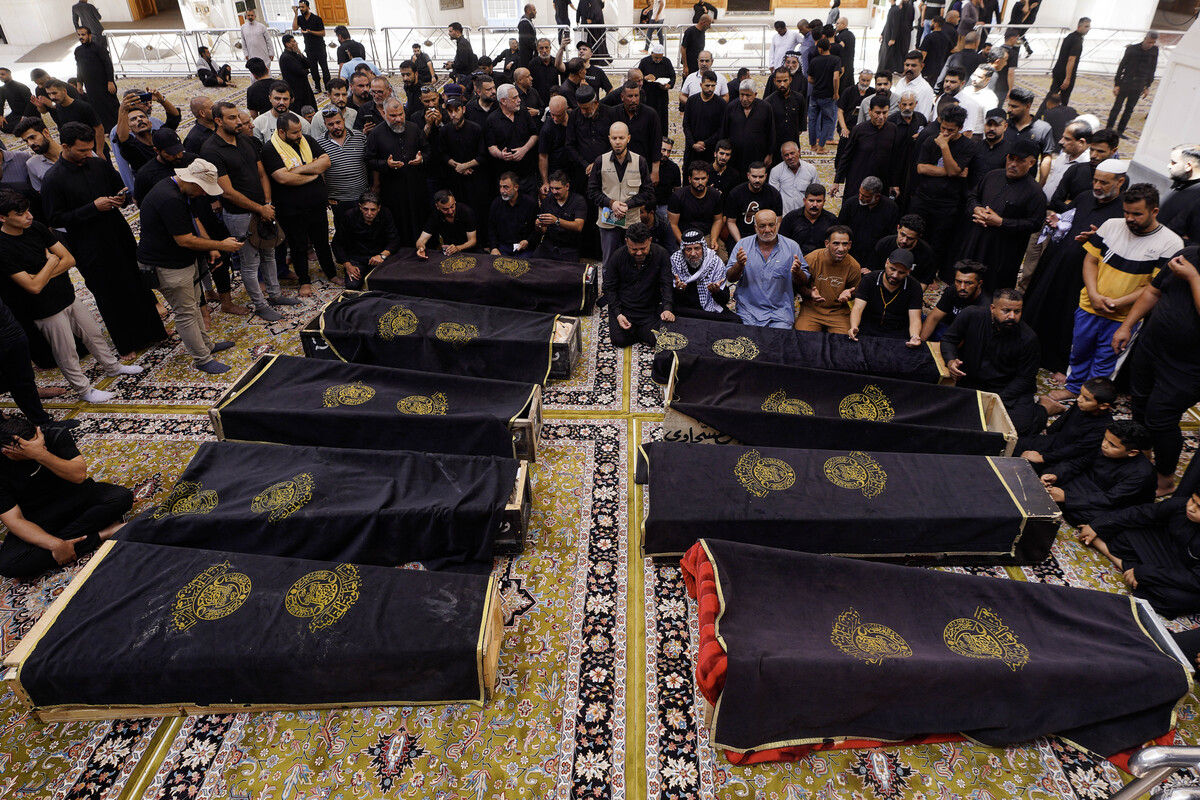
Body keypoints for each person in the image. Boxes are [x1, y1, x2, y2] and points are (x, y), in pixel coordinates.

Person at [1049, 183, 1183, 410]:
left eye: (1137, 214)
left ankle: (1094, 400)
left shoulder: (1171, 243)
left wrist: (1117, 303)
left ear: (1154, 212)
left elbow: (1154, 287)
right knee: (1080, 350)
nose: (1130, 218)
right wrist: (1093, 293)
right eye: (1127, 212)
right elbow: (1090, 261)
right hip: (1089, 305)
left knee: (1106, 359)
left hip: (1123, 317)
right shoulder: (1111, 226)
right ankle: (1074, 388)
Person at [0, 188, 141, 401]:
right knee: (66, 352)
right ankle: (84, 390)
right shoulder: (3, 248)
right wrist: (51, 262)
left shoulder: (36, 227)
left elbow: (69, 259)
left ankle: (112, 366)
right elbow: (33, 288)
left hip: (66, 295)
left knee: (94, 334)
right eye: (20, 214)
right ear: (2, 218)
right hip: (44, 308)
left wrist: (43, 273)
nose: (29, 216)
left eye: (28, 210)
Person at [41, 122, 166, 354]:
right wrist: (92, 207)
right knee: (109, 293)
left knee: (135, 282)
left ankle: (154, 331)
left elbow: (121, 189)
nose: (88, 154)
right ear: (65, 147)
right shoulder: (53, 179)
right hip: (89, 245)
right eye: (82, 150)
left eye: (90, 149)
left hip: (118, 233)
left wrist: (121, 198)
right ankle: (127, 343)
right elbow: (55, 218)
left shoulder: (98, 164)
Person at [1024, 159, 1127, 380]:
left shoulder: (1123, 212)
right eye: (1095, 180)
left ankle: (1060, 362)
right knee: (1041, 304)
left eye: (1104, 182)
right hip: (1055, 264)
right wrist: (1056, 221)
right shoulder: (1084, 197)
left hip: (1085, 276)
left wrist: (1100, 239)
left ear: (1120, 182)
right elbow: (1065, 219)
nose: (1097, 186)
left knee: (1069, 318)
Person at [137, 159, 241, 373]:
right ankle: (202, 359)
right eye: (204, 189)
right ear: (193, 183)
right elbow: (184, 239)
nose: (205, 195)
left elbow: (193, 220)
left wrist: (211, 248)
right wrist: (219, 244)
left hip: (181, 261)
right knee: (185, 312)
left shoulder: (178, 188)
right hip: (168, 265)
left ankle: (207, 346)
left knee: (193, 305)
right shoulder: (169, 199)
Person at [1113, 245, 1200, 497]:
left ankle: (1164, 480)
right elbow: (1153, 291)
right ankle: (1141, 458)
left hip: (1188, 366)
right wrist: (1127, 326)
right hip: (1151, 348)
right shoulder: (1189, 254)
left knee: (1160, 418)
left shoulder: (1190, 270)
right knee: (1138, 403)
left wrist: (1194, 277)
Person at [201, 100, 297, 323]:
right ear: (218, 121)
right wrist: (260, 208)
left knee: (270, 253)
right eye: (231, 118)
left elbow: (262, 174)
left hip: (263, 208)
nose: (238, 122)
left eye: (238, 117)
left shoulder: (246, 140)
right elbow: (227, 192)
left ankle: (275, 295)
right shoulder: (211, 150)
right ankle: (260, 304)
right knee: (250, 261)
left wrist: (268, 202)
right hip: (239, 215)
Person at [0, 418, 132, 579]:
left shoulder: (53, 434)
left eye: (38, 441)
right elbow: (15, 520)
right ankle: (102, 534)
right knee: (8, 565)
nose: (39, 445)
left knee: (120, 497)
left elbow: (78, 476)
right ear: (7, 452)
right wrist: (54, 544)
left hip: (76, 496)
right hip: (39, 517)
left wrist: (41, 454)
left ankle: (59, 546)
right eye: (29, 450)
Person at [1080, 490, 1200, 618]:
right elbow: (1142, 513)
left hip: (1192, 578)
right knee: (1123, 536)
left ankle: (1110, 553)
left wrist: (1145, 573)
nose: (1191, 508)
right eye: (1193, 500)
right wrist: (1096, 526)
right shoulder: (1182, 505)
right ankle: (1135, 572)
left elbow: (1195, 580)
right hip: (1169, 555)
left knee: (1172, 599)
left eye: (1199, 507)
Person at [940, 289, 1043, 436]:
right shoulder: (972, 314)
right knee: (948, 415)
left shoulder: (1029, 339)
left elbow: (1025, 378)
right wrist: (950, 361)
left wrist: (997, 400)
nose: (1012, 316)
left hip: (1006, 389)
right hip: (970, 381)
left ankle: (1045, 407)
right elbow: (949, 340)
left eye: (1017, 311)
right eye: (1006, 311)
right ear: (992, 308)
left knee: (1016, 429)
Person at [261, 112, 335, 296]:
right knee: (298, 246)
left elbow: (326, 161)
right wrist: (313, 173)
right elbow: (283, 178)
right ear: (281, 132)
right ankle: (304, 281)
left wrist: (299, 170)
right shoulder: (270, 149)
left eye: (300, 131)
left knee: (322, 242)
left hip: (316, 205)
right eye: (294, 133)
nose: (299, 135)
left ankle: (331, 273)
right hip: (291, 210)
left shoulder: (307, 140)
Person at [962, 138, 1047, 292]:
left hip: (1003, 253)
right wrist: (976, 209)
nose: (1013, 164)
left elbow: (1034, 224)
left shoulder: (1035, 193)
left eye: (1020, 160)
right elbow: (973, 196)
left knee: (992, 289)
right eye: (1011, 158)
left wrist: (1002, 222)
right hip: (976, 242)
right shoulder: (992, 176)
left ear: (1032, 163)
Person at [1041, 420, 1157, 528]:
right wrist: (1056, 475)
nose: (1104, 444)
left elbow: (1111, 499)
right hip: (1088, 485)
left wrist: (1067, 497)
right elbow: (1079, 463)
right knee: (1048, 472)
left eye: (1112, 445)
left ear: (1132, 453)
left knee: (1084, 516)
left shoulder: (1141, 474)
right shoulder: (1105, 448)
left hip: (1114, 502)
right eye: (1105, 439)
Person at [725, 209, 808, 328]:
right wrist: (739, 264)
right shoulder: (743, 246)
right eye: (762, 226)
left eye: (771, 225)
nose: (767, 230)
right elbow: (730, 277)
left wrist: (797, 272)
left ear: (777, 224)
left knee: (778, 344)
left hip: (781, 313)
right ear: (755, 227)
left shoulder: (791, 247)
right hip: (748, 311)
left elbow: (803, 281)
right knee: (749, 343)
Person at [366, 98, 431, 246]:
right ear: (384, 114)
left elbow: (427, 150)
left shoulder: (414, 128)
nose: (398, 119)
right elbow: (369, 160)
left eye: (401, 114)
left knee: (420, 217)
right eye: (393, 116)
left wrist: (421, 160)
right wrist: (385, 164)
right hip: (392, 189)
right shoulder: (376, 134)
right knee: (398, 221)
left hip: (416, 186)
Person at [588, 121, 654, 267]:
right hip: (607, 220)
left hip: (631, 220)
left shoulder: (640, 161)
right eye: (614, 138)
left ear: (628, 138)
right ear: (609, 138)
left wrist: (627, 205)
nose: (617, 142)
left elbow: (648, 191)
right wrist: (612, 204)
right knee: (609, 262)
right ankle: (608, 289)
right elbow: (592, 191)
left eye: (621, 138)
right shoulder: (600, 161)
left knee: (634, 260)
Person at [1018, 377, 1116, 469]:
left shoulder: (1102, 428)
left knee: (1022, 467)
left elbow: (1076, 449)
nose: (1079, 399)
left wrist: (1043, 458)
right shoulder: (1082, 405)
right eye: (1080, 394)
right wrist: (1050, 432)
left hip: (1065, 458)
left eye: (1086, 398)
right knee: (1013, 444)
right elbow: (1066, 417)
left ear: (1103, 406)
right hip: (1055, 440)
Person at [603, 222, 674, 347]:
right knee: (619, 340)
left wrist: (667, 308)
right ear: (627, 242)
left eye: (643, 248)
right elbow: (609, 288)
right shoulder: (617, 257)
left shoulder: (661, 254)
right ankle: (641, 331)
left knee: (660, 340)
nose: (639, 253)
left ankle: (641, 330)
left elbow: (667, 284)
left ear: (650, 240)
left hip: (649, 309)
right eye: (634, 249)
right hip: (625, 308)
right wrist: (618, 314)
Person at [848, 248, 922, 343]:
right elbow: (858, 308)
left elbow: (915, 318)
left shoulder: (914, 286)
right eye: (892, 269)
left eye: (901, 272)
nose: (895, 275)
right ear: (886, 263)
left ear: (909, 271)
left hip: (897, 332)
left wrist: (914, 336)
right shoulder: (869, 279)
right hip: (868, 328)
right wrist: (854, 326)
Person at [834, 95, 900, 200]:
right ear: (869, 111)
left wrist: (894, 183)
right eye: (877, 113)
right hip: (858, 178)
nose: (881, 117)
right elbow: (846, 156)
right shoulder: (858, 130)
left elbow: (895, 159)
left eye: (885, 113)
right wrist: (837, 181)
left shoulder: (893, 130)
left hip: (881, 180)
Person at [796, 226, 859, 333]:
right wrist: (810, 293)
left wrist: (849, 295)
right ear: (827, 244)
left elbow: (857, 292)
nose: (841, 248)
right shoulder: (812, 258)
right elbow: (799, 285)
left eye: (844, 244)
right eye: (836, 243)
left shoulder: (854, 266)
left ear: (850, 245)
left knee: (845, 342)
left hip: (838, 312)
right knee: (803, 339)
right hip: (811, 309)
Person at [334, 191, 401, 289]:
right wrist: (347, 265)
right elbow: (337, 243)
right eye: (365, 209)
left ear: (379, 208)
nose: (369, 213)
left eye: (373, 210)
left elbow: (395, 239)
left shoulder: (385, 213)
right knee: (352, 286)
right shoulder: (349, 215)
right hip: (357, 258)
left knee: (387, 284)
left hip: (378, 256)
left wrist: (382, 255)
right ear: (360, 206)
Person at [669, 228, 735, 321]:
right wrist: (679, 290)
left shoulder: (715, 262)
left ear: (703, 248)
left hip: (710, 312)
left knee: (736, 321)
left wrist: (716, 292)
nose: (693, 253)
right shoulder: (676, 261)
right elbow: (670, 298)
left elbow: (724, 300)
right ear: (683, 251)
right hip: (685, 311)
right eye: (688, 249)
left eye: (697, 248)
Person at [487, 83, 540, 198]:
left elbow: (535, 135)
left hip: (528, 175)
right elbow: (491, 146)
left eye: (518, 96)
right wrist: (501, 155)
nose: (519, 100)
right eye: (514, 98)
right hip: (506, 178)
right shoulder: (492, 119)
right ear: (503, 101)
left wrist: (524, 149)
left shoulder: (524, 112)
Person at [838, 176, 899, 267]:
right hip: (850, 255)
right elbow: (840, 228)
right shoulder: (850, 204)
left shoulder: (891, 208)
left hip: (876, 258)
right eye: (860, 193)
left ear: (877, 197)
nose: (860, 197)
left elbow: (892, 236)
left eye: (865, 196)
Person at [919, 259, 988, 341]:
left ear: (979, 284)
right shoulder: (953, 290)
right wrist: (920, 344)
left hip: (962, 337)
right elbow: (934, 318)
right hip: (946, 327)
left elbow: (970, 337)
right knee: (918, 318)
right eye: (958, 281)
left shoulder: (984, 306)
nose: (962, 287)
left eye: (968, 283)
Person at [1108, 32, 1158, 138]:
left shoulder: (1154, 51)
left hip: (1139, 84)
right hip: (1126, 82)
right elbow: (1122, 66)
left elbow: (1152, 69)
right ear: (1145, 39)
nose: (1150, 45)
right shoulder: (1132, 49)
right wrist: (1117, 84)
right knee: (1117, 107)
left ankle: (1120, 131)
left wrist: (1147, 86)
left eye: (1153, 43)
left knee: (1129, 109)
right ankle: (1108, 129)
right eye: (1149, 42)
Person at [668, 161, 723, 252]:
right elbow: (673, 224)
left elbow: (718, 219)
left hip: (707, 235)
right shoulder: (678, 196)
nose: (700, 182)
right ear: (690, 179)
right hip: (685, 235)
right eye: (696, 179)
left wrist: (714, 239)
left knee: (722, 258)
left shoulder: (715, 195)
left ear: (708, 178)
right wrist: (683, 243)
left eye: (703, 178)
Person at [533, 170, 586, 261]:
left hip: (569, 247)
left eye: (558, 188)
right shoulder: (547, 202)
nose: (554, 192)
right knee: (534, 261)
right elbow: (543, 230)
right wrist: (538, 225)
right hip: (549, 245)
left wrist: (556, 221)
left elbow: (578, 226)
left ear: (567, 186)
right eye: (552, 188)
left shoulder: (578, 201)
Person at [73, 26, 118, 132]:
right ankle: (107, 129)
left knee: (110, 106)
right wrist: (79, 82)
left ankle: (118, 126)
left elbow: (108, 65)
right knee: (97, 107)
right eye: (79, 35)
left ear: (89, 35)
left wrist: (110, 81)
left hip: (104, 83)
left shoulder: (98, 49)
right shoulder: (78, 51)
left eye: (83, 34)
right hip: (90, 85)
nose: (81, 37)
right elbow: (79, 67)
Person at [725, 162, 783, 243]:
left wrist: (769, 239)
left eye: (761, 177)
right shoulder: (736, 193)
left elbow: (778, 220)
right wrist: (740, 242)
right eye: (754, 176)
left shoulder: (774, 194)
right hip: (741, 235)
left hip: (765, 235)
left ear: (766, 176)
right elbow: (731, 222)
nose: (757, 180)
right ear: (748, 175)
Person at [682, 71, 725, 173]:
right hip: (692, 149)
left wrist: (705, 143)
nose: (710, 89)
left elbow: (721, 128)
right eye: (707, 85)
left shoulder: (721, 104)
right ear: (701, 85)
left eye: (713, 86)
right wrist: (693, 144)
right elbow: (686, 124)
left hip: (710, 150)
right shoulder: (692, 100)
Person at [415, 189, 478, 259]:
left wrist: (458, 248)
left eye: (452, 206)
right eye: (445, 209)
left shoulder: (466, 212)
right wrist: (420, 248)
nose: (450, 211)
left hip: (470, 251)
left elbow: (473, 241)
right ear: (437, 206)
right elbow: (421, 240)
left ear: (454, 200)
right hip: (448, 252)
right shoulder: (435, 215)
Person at [488, 172, 539, 256]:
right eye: (500, 187)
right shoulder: (496, 203)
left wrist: (528, 241)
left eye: (506, 187)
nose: (502, 191)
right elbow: (491, 228)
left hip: (523, 247)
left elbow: (536, 230)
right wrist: (494, 248)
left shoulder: (530, 203)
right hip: (503, 246)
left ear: (516, 187)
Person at [872, 213, 934, 280]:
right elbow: (872, 271)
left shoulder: (926, 252)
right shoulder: (884, 244)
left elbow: (924, 281)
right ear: (898, 228)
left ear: (918, 236)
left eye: (910, 238)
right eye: (902, 234)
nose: (904, 240)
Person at [780, 183, 836, 254]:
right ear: (804, 201)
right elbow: (782, 244)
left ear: (824, 202)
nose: (815, 205)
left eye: (819, 201)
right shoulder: (791, 218)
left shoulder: (832, 220)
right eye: (811, 201)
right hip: (796, 261)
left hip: (822, 262)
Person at [806, 39, 840, 154]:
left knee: (812, 120)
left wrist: (818, 82)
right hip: (828, 96)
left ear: (819, 49)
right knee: (827, 121)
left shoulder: (814, 61)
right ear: (829, 47)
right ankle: (821, 147)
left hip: (815, 95)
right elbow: (836, 77)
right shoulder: (836, 60)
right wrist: (836, 92)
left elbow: (810, 79)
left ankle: (813, 145)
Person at [769, 141, 818, 216]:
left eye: (792, 153)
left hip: (805, 215)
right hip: (784, 215)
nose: (790, 157)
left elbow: (816, 193)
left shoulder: (811, 169)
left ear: (799, 152)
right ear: (782, 156)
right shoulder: (776, 171)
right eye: (786, 155)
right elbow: (773, 197)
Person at [292, 0, 329, 92]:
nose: (301, 9)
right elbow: (294, 27)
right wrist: (295, 14)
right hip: (309, 48)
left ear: (308, 7)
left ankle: (328, 86)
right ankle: (317, 86)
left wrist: (310, 32)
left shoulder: (317, 19)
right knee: (313, 68)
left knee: (324, 67)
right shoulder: (300, 18)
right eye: (300, 7)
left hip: (320, 47)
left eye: (303, 7)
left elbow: (323, 33)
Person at [1051, 17, 1089, 106]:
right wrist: (1068, 78)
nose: (1088, 29)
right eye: (1086, 26)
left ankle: (1040, 116)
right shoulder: (1077, 41)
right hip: (1065, 74)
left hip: (1058, 70)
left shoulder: (1070, 36)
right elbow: (1071, 59)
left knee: (1051, 97)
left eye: (1089, 27)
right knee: (1063, 100)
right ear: (1079, 27)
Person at [637, 44, 675, 128]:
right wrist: (644, 77)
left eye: (660, 58)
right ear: (651, 54)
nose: (657, 60)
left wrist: (669, 86)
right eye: (655, 57)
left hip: (661, 95)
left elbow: (672, 76)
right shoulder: (644, 62)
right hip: (648, 95)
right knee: (647, 117)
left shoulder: (666, 62)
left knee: (662, 118)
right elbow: (637, 76)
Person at [278, 35, 318, 113]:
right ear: (287, 44)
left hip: (304, 87)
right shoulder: (286, 57)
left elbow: (308, 64)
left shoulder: (295, 54)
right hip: (295, 89)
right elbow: (300, 71)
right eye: (293, 41)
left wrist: (300, 53)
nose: (296, 43)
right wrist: (306, 71)